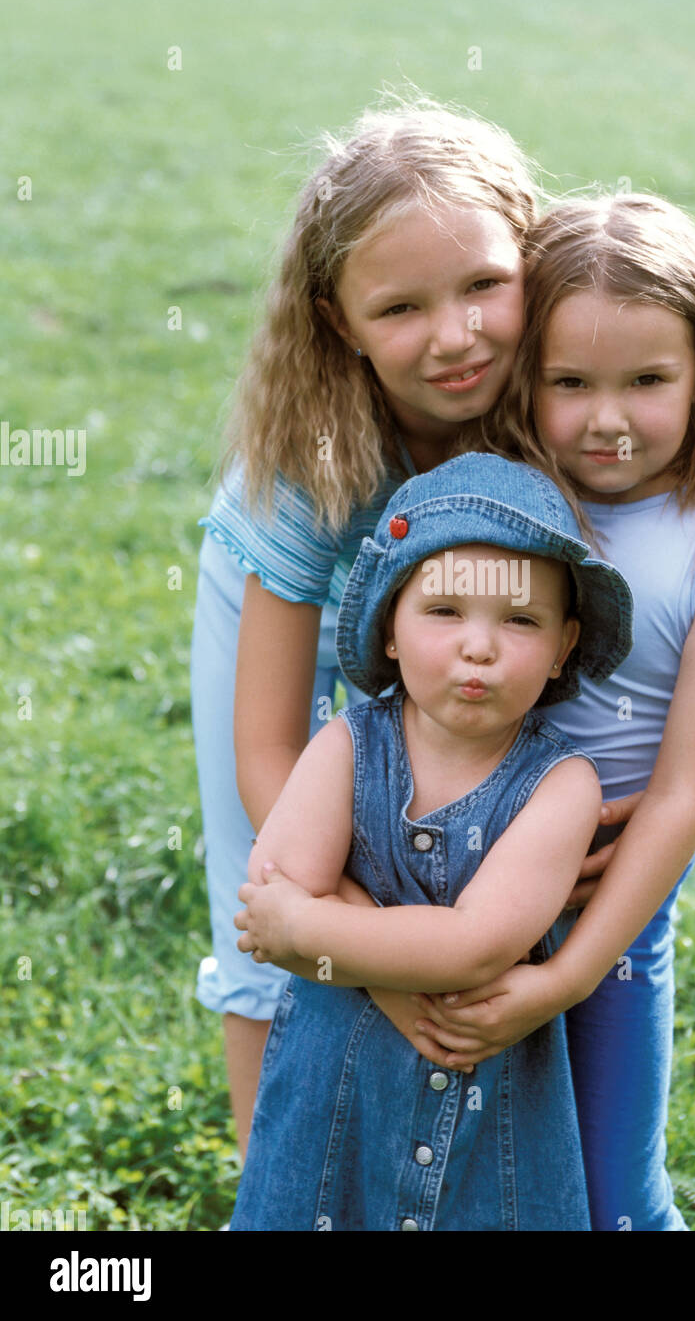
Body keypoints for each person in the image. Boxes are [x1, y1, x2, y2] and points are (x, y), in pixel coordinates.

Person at [400, 193, 695, 1230]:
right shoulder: (502, 503)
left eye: (648, 381)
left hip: (612, 913)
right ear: (528, 379)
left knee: (611, 1195)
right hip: (447, 881)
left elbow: (687, 784)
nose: (609, 417)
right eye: (570, 383)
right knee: (460, 1170)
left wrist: (577, 964)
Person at [189, 95, 538, 1158]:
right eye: (399, 310)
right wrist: (373, 959)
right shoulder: (307, 457)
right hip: (284, 613)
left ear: (530, 251)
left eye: (485, 283)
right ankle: (271, 1170)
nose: (456, 337)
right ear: (339, 320)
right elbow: (266, 753)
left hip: (458, 624)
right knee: (266, 880)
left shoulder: (568, 382)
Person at [228, 453, 634, 1231]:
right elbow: (275, 875)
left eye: (519, 620)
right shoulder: (347, 743)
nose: (476, 647)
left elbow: (475, 946)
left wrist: (306, 930)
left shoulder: (562, 786)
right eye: (443, 611)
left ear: (561, 644)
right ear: (388, 627)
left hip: (492, 1122)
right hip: (329, 1111)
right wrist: (293, 915)